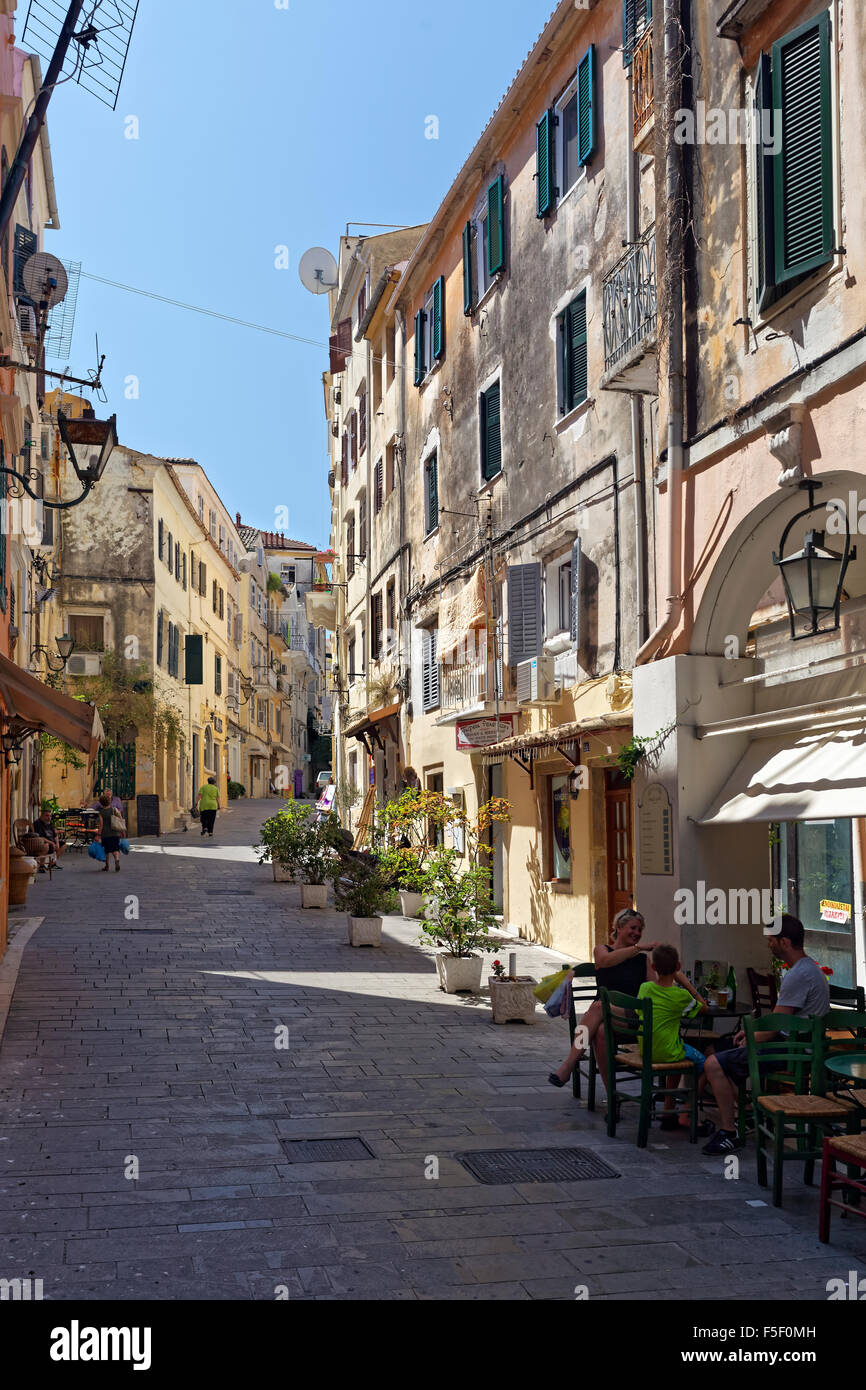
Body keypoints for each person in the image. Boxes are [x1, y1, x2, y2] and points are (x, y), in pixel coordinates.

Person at [701, 914, 831, 1154]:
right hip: (797, 1044)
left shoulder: (798, 974)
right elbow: (779, 1019)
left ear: (785, 942)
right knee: (720, 1049)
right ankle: (748, 1113)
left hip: (794, 1051)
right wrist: (748, 1036)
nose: (768, 944)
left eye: (771, 940)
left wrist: (750, 1037)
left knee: (713, 1064)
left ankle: (730, 1132)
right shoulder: (808, 968)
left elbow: (773, 1027)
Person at [548, 907, 659, 1089]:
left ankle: (568, 1065)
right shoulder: (602, 950)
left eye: (640, 930)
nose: (637, 933)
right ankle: (611, 1094)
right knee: (599, 1031)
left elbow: (654, 992)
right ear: (618, 927)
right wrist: (637, 948)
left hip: (630, 1017)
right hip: (603, 1018)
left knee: (598, 1007)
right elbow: (604, 962)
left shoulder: (642, 960)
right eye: (633, 928)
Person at [637, 944, 714, 1135]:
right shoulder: (680, 995)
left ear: (653, 968)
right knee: (706, 1065)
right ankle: (686, 1113)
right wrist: (686, 983)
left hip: (647, 1050)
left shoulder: (645, 988)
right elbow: (704, 1008)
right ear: (678, 966)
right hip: (668, 1051)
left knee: (678, 1054)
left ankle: (668, 1110)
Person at [95, 789, 124, 873]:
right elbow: (121, 819)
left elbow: (101, 825)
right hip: (115, 833)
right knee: (115, 848)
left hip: (105, 834)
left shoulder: (101, 812)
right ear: (109, 801)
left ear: (101, 803)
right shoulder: (114, 809)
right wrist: (122, 830)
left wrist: (98, 834)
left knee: (106, 851)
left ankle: (107, 866)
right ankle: (117, 860)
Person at [32, 806, 64, 870]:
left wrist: (57, 843)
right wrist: (52, 843)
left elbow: (55, 835)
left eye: (50, 816)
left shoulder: (49, 824)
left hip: (51, 843)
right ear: (41, 816)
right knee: (46, 845)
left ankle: (52, 864)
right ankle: (41, 865)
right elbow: (40, 837)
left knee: (63, 845)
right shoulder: (37, 824)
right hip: (40, 843)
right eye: (47, 816)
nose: (49, 818)